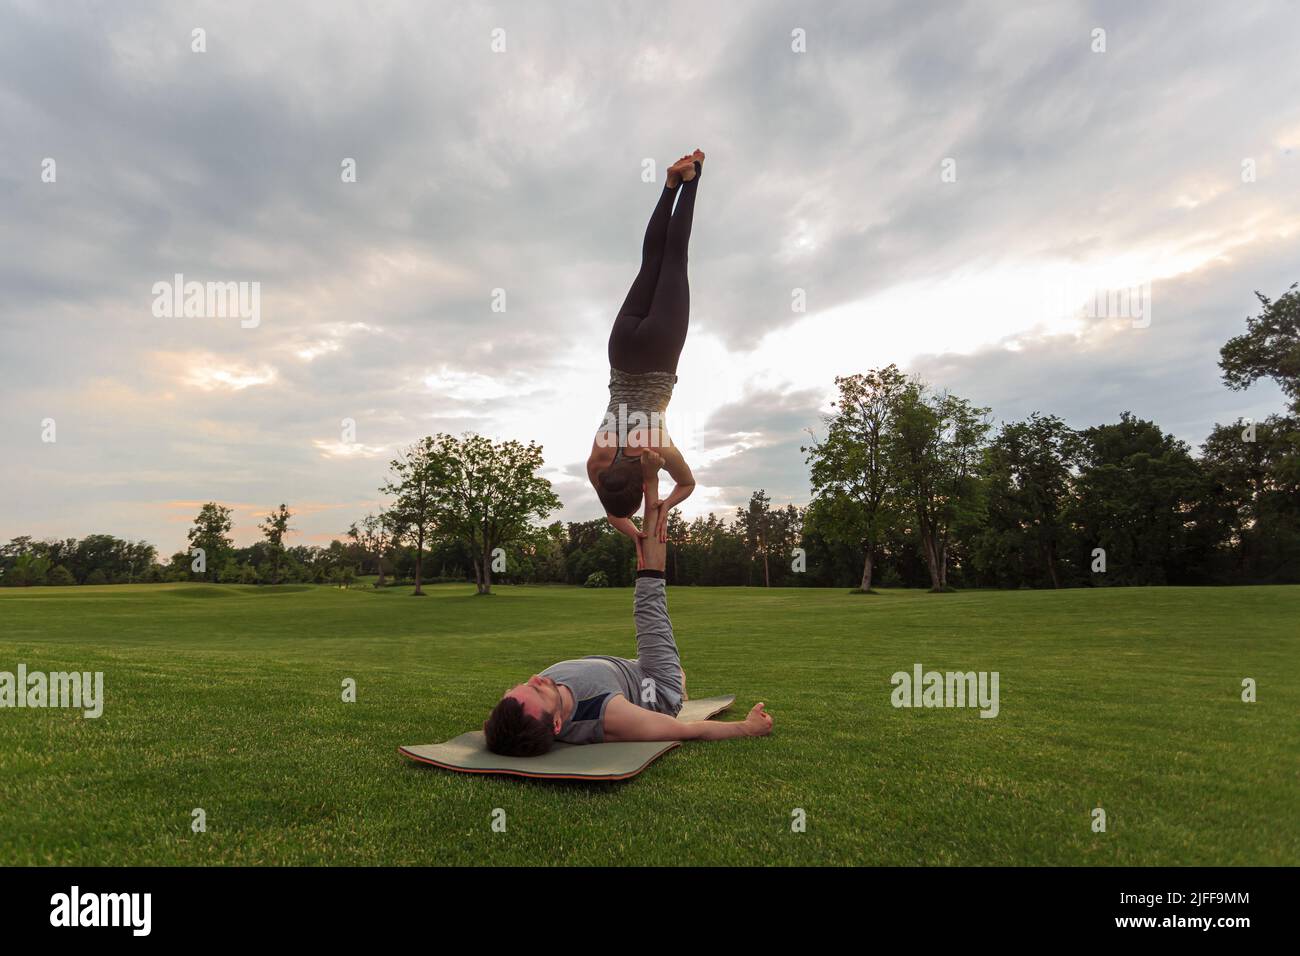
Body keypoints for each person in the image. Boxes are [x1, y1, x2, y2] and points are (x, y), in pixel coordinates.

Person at [482, 485, 773, 755]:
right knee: (648, 604)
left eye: (522, 684)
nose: (535, 679)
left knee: (655, 641)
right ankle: (652, 486)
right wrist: (747, 728)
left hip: (630, 672)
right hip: (658, 686)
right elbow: (686, 730)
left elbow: (503, 724)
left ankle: (681, 676)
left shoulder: (530, 709)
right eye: (536, 690)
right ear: (557, 724)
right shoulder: (607, 714)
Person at [587, 150, 704, 568]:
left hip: (659, 352)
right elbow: (612, 509)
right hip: (621, 349)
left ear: (638, 485)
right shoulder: (598, 462)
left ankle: (692, 180)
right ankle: (670, 184)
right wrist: (631, 528)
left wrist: (661, 506)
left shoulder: (657, 446)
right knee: (651, 261)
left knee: (675, 260)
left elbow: (688, 484)